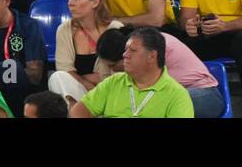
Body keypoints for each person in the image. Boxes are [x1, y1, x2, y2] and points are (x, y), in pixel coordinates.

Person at [92, 26, 221, 117]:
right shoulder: (142, 46)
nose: (112, 70)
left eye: (113, 65)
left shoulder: (152, 50)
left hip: (206, 96)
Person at [71, 26, 193, 119]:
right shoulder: (113, 82)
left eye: (132, 50)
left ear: (152, 56)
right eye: (125, 50)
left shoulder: (177, 95)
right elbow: (79, 110)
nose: (125, 55)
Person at [47, 0, 122, 102]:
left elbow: (118, 74)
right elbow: (64, 70)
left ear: (95, 2)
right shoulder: (64, 30)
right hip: (82, 94)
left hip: (111, 93)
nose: (70, 3)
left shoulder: (115, 29)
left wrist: (85, 77)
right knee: (57, 77)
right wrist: (88, 83)